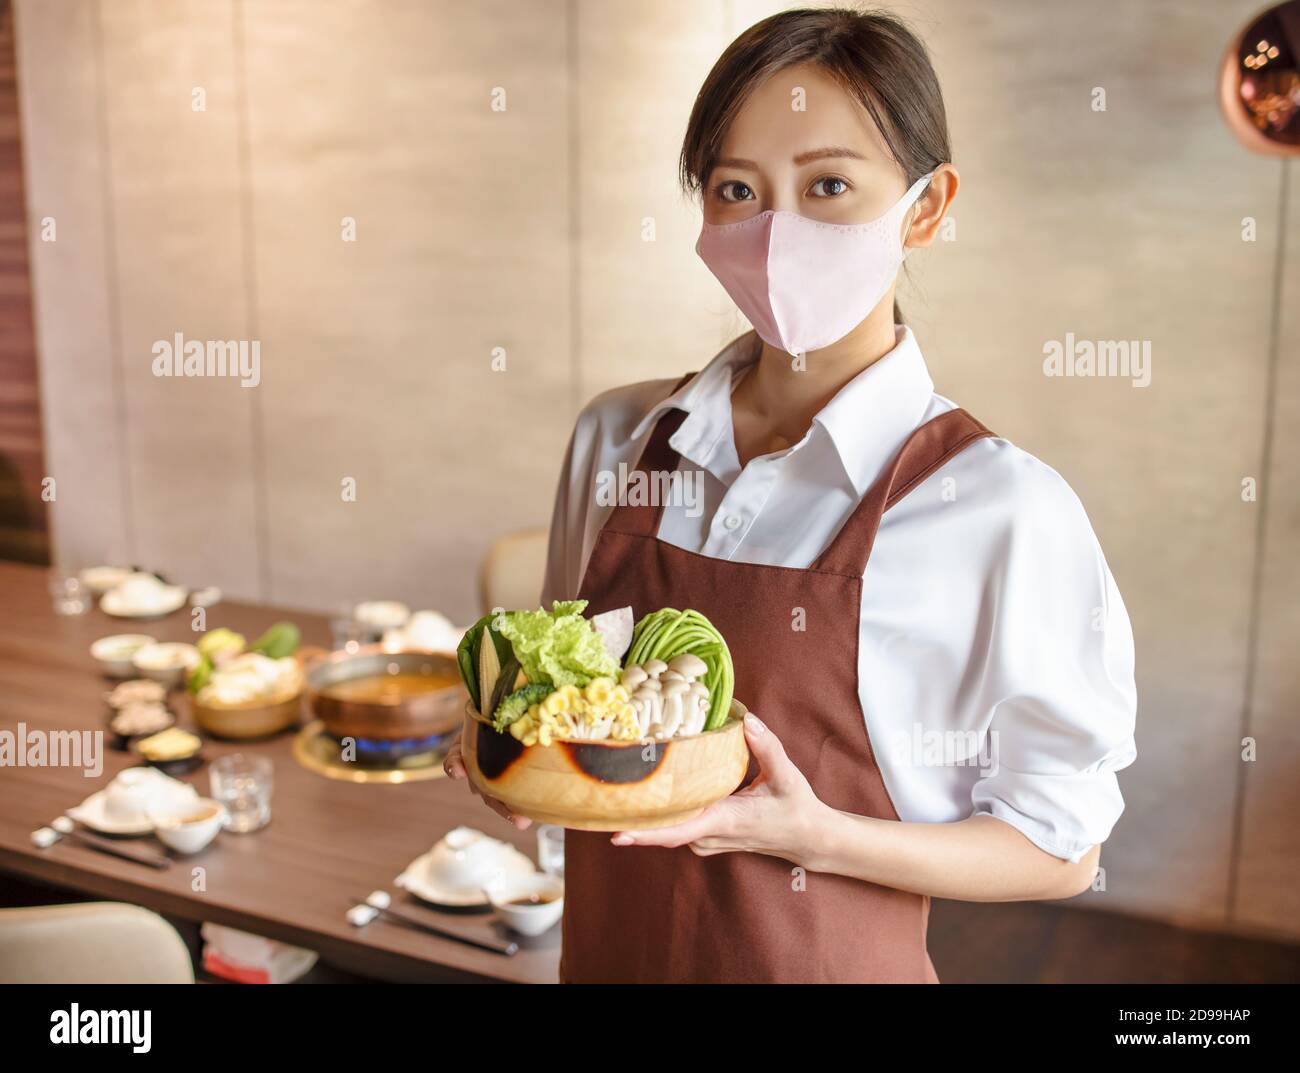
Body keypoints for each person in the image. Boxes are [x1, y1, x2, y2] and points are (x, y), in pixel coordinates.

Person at [446, 6, 1137, 984]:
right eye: (738, 189)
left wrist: (817, 837)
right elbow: (574, 711)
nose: (778, 229)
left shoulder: (998, 507)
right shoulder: (621, 438)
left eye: (828, 185)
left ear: (927, 208)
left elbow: (1064, 849)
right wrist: (519, 763)